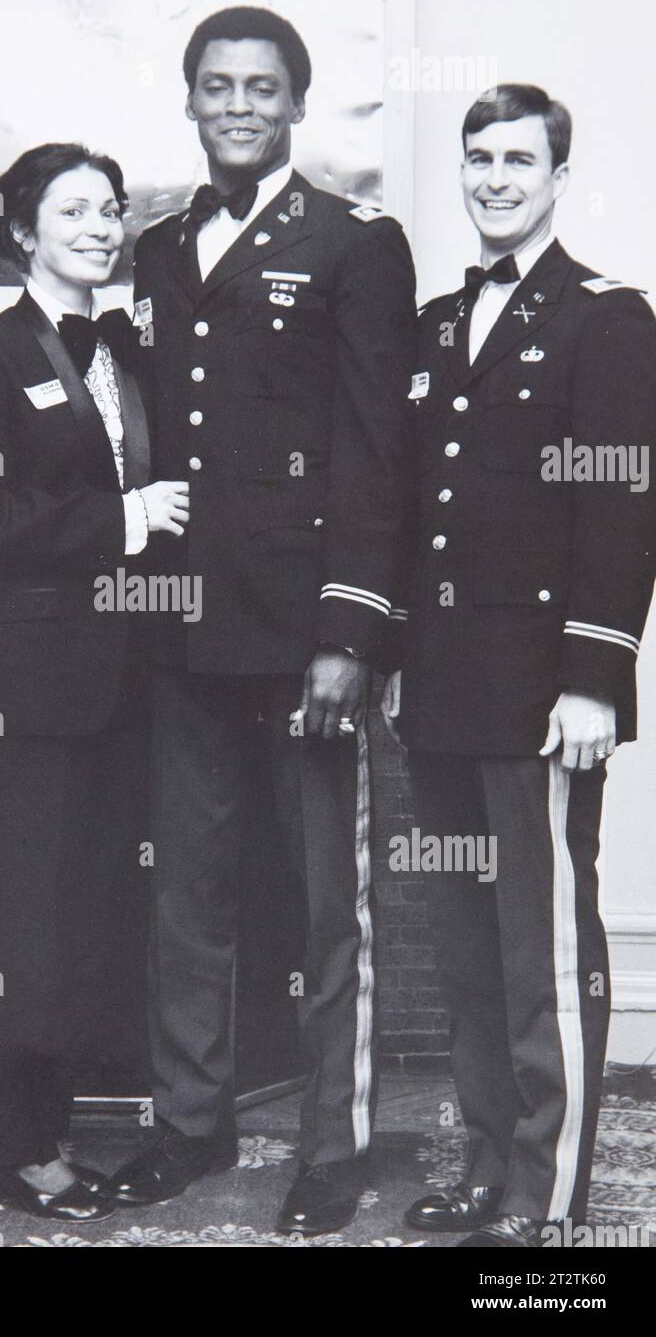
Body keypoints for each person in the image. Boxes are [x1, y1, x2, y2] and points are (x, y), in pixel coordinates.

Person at [105, 7, 418, 1235]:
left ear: (296, 105)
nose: (238, 104)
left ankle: (329, 1149)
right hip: (182, 626)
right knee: (185, 890)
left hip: (301, 637)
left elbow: (376, 450)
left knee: (326, 902)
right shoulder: (157, 244)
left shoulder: (352, 242)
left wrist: (348, 629)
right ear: (189, 101)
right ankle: (189, 1125)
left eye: (262, 86)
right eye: (217, 85)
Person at [382, 84, 656, 1247]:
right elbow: (408, 508)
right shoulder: (438, 322)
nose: (492, 178)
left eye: (516, 160)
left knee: (539, 945)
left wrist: (594, 673)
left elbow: (618, 499)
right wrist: (393, 653)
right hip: (439, 686)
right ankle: (487, 1159)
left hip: (540, 693)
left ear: (557, 176)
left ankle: (542, 1196)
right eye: (477, 158)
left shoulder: (606, 317)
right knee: (461, 941)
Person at [0, 143, 189, 1222]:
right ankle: (13, 1153)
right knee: (23, 922)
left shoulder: (131, 350)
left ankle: (52, 1132)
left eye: (111, 208)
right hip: (26, 688)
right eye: (72, 209)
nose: (99, 224)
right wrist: (123, 523)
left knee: (83, 914)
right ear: (22, 229)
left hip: (127, 679)